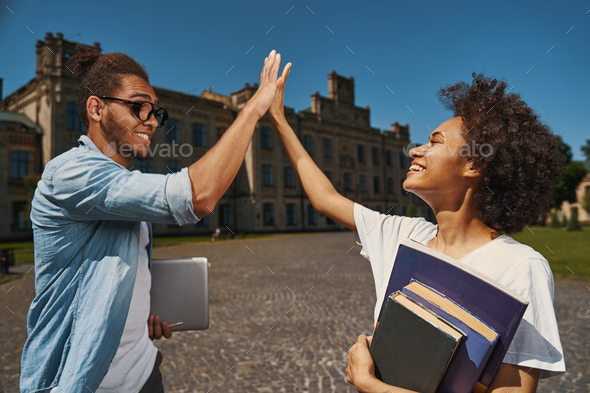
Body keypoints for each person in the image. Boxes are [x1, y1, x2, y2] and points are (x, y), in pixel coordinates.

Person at [268, 66, 566, 392]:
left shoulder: (521, 266)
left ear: (475, 164)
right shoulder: (402, 235)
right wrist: (279, 119)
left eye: (434, 142)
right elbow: (325, 198)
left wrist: (371, 386)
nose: (414, 150)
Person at [20, 46, 287, 393]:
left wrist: (139, 312)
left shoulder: (128, 184)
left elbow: (113, 277)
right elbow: (198, 196)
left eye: (155, 112)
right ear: (96, 108)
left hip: (144, 372)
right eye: (138, 107)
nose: (151, 120)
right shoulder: (69, 173)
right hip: (82, 383)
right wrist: (252, 110)